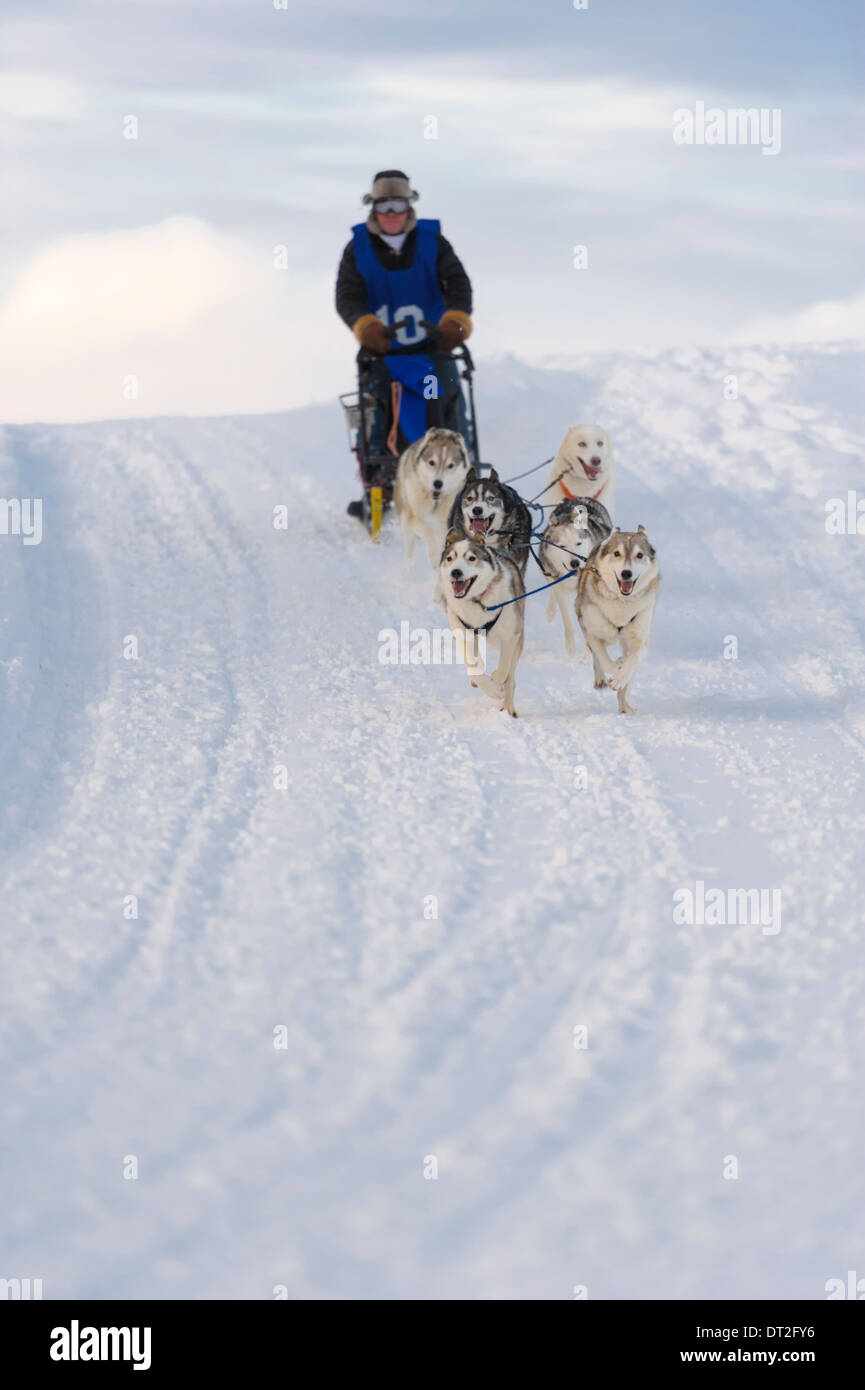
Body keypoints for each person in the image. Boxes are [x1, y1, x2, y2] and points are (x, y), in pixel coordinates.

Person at [335, 170, 475, 517]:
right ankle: (379, 484)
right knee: (376, 413)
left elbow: (458, 284)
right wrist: (366, 327)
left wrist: (455, 323)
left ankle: (465, 482)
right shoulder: (358, 249)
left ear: (409, 206)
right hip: (383, 354)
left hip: (432, 350)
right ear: (374, 209)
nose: (392, 213)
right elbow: (347, 296)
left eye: (399, 204)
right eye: (385, 206)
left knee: (448, 406)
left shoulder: (433, 243)